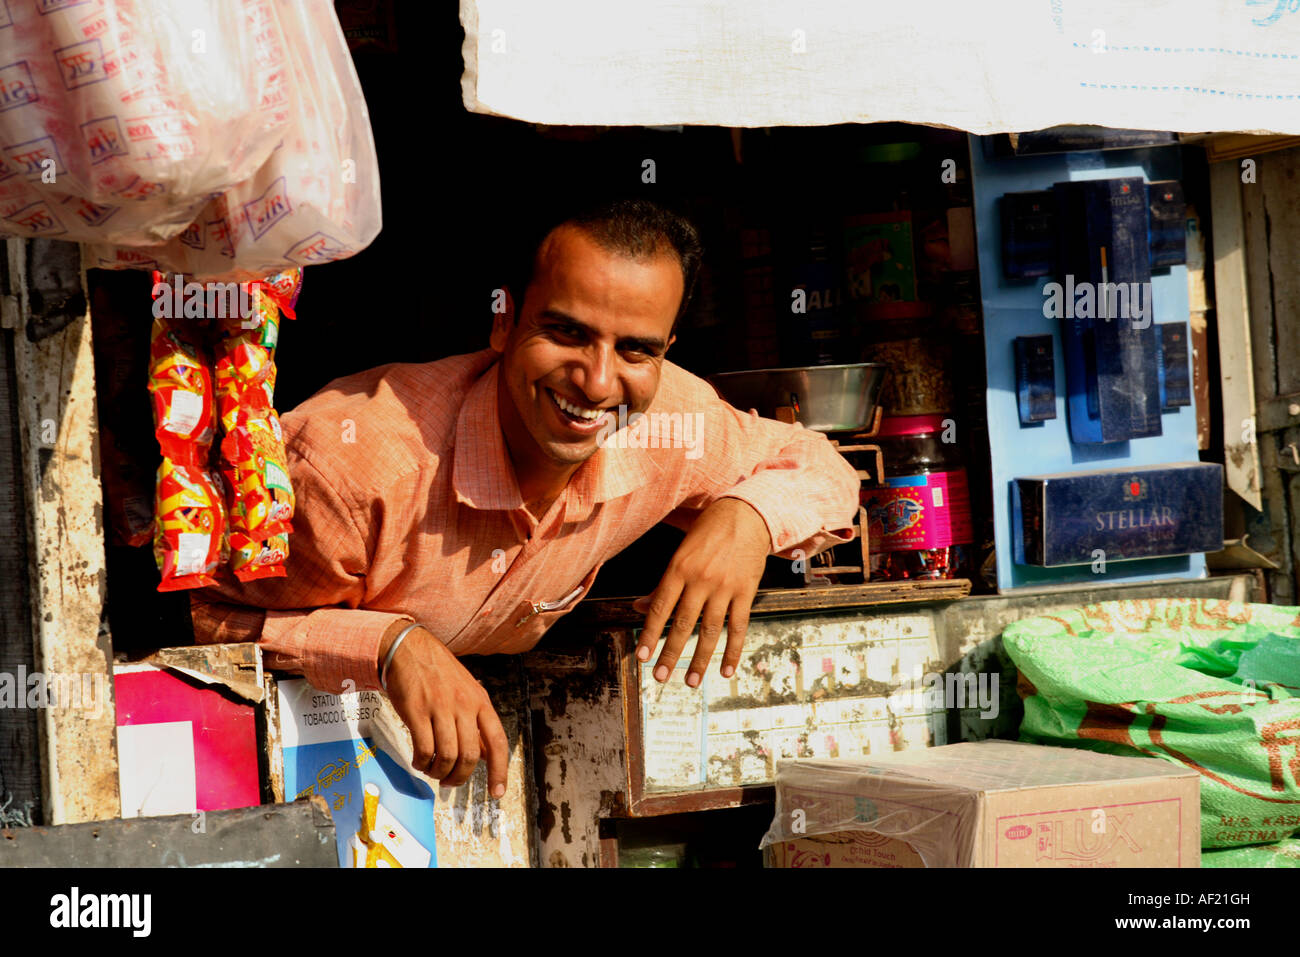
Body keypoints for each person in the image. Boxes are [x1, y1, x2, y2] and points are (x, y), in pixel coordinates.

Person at [191, 198, 860, 799]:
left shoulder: (670, 422)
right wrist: (387, 643)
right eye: (567, 333)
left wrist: (748, 519)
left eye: (636, 350)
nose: (598, 382)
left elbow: (823, 466)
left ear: (665, 354)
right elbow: (189, 615)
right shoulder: (356, 471)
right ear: (503, 323)